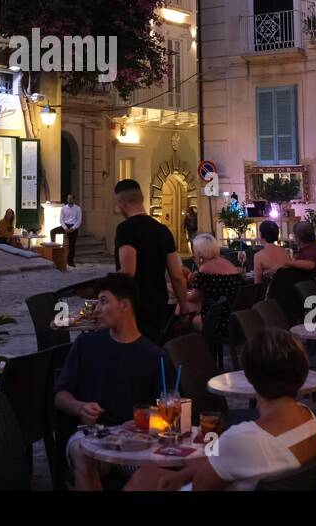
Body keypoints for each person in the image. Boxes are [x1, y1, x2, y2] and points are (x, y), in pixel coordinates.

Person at [126, 328, 316, 491]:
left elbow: (201, 485)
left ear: (250, 377)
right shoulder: (308, 417)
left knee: (143, 477)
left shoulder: (245, 437)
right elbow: (223, 461)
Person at [55, 273, 166, 491]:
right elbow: (60, 396)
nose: (96, 309)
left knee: (154, 472)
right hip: (91, 433)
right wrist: (80, 407)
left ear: (125, 306)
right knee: (82, 453)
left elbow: (170, 412)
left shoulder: (154, 356)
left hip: (136, 441)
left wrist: (141, 424)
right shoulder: (85, 344)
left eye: (104, 301)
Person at [113, 179, 191, 340]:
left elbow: (128, 272)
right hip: (159, 305)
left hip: (134, 307)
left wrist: (101, 287)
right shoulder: (163, 231)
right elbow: (176, 275)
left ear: (123, 203)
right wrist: (184, 310)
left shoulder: (125, 229)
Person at [183, 233, 245, 330]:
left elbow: (194, 297)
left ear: (200, 253)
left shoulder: (205, 269)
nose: (193, 254)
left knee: (186, 314)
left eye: (194, 250)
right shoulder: (228, 263)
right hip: (236, 317)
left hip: (219, 321)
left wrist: (181, 293)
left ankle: (189, 344)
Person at [252, 219, 297, 284]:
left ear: (261, 235)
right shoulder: (285, 252)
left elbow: (257, 283)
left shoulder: (258, 256)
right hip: (288, 291)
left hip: (270, 292)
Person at [49, 195, 83, 267]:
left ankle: (70, 260)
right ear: (67, 199)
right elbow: (61, 220)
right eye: (68, 198)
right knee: (52, 231)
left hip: (73, 227)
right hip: (65, 226)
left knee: (72, 244)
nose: (69, 200)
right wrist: (65, 228)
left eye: (71, 199)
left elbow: (79, 220)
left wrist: (73, 228)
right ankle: (54, 249)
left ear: (74, 199)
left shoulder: (78, 208)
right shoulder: (63, 208)